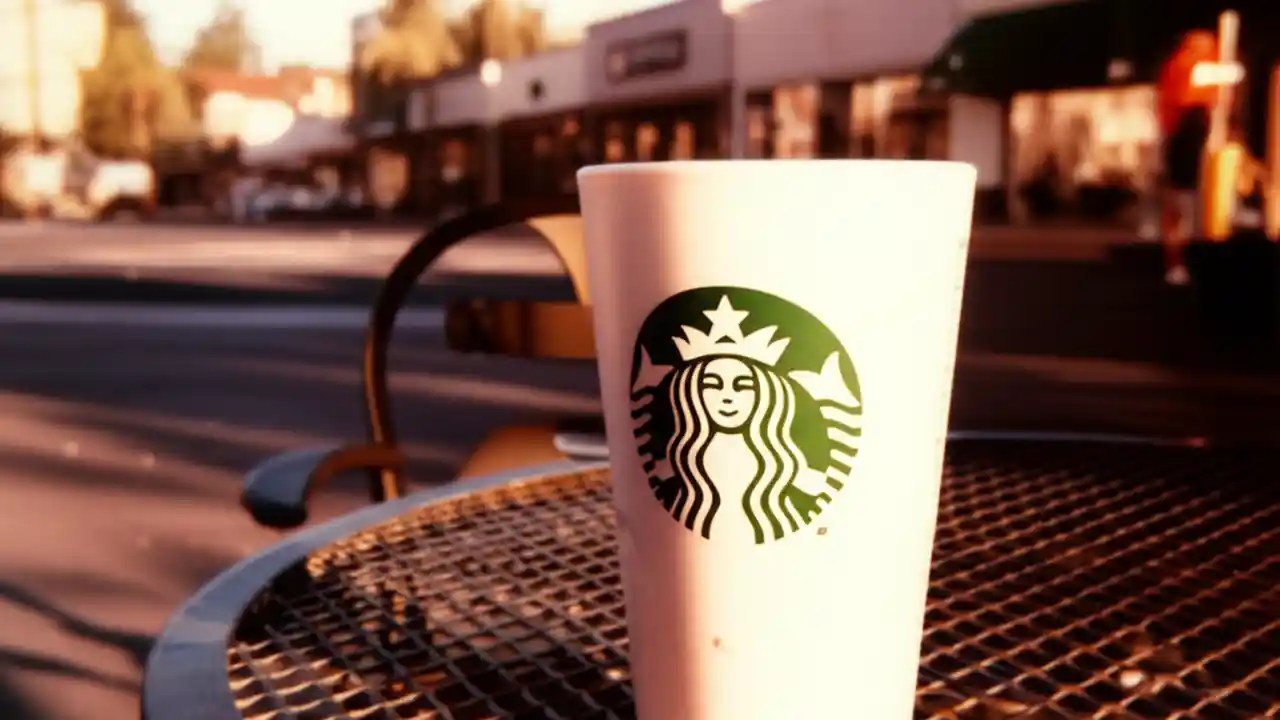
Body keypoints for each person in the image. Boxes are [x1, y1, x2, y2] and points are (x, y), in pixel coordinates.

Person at [1158, 30, 1220, 286]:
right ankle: (1179, 262)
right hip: (1184, 143)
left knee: (1183, 205)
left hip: (1183, 142)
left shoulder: (1180, 68)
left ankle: (1180, 263)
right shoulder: (1188, 69)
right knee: (1183, 205)